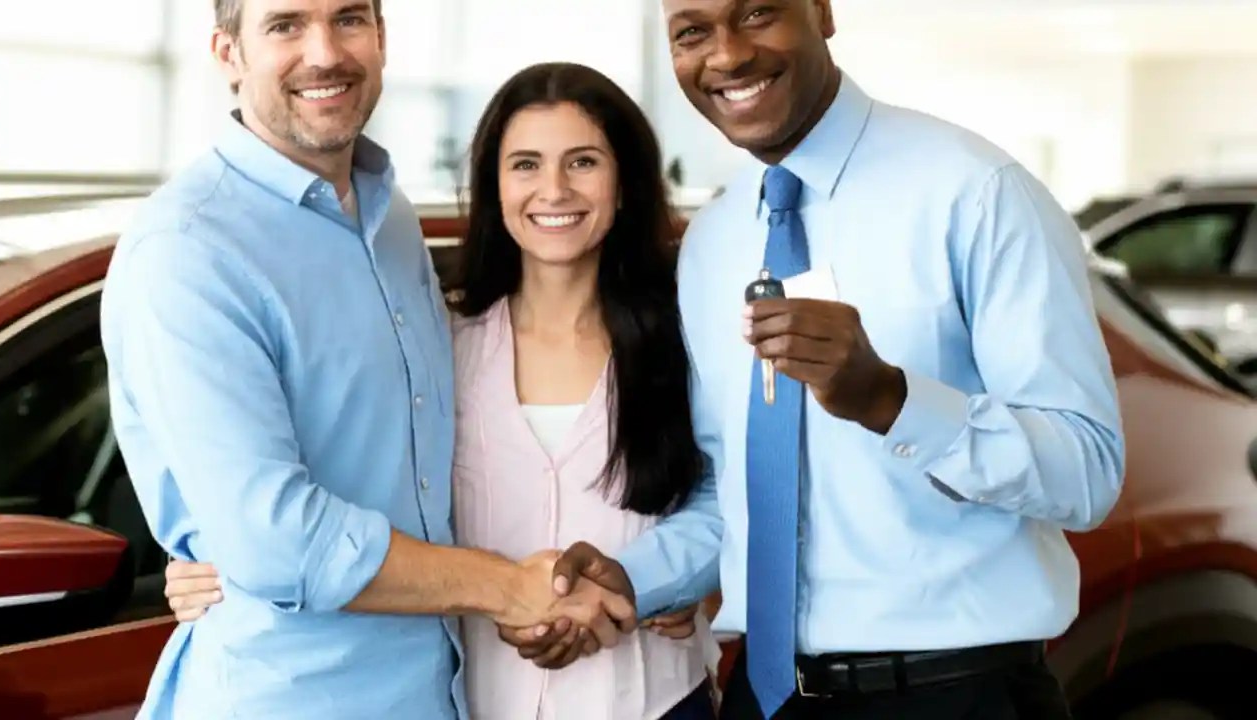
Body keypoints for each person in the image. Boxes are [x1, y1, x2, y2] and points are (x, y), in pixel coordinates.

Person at [518, 1, 1127, 719]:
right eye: (692, 33)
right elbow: (734, 495)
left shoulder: (977, 194)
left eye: (756, 14)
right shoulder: (714, 242)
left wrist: (893, 402)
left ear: (821, 12)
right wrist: (634, 575)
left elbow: (1088, 472)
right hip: (768, 697)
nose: (727, 55)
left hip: (952, 697)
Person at [100, 2, 634, 719]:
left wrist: (649, 572)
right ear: (228, 54)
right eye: (285, 24)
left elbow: (446, 458)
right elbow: (276, 541)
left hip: (441, 692)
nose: (325, 53)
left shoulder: (388, 216)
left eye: (349, 18)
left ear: (381, 38)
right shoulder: (188, 249)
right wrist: (504, 586)